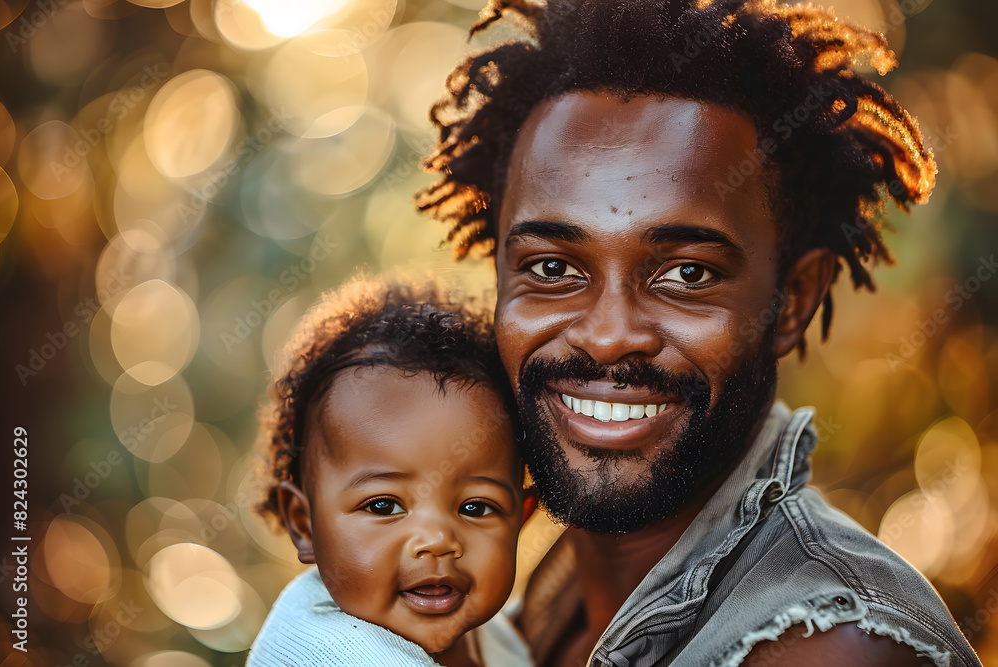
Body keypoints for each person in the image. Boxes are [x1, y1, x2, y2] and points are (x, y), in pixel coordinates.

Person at [417, 0, 982, 665]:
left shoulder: (830, 647)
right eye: (552, 266)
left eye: (687, 273)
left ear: (793, 300)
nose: (606, 337)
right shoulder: (520, 613)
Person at [247, 275, 533, 667]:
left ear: (521, 517)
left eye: (476, 508)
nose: (436, 540)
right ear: (304, 523)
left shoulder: (497, 638)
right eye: (383, 506)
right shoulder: (335, 653)